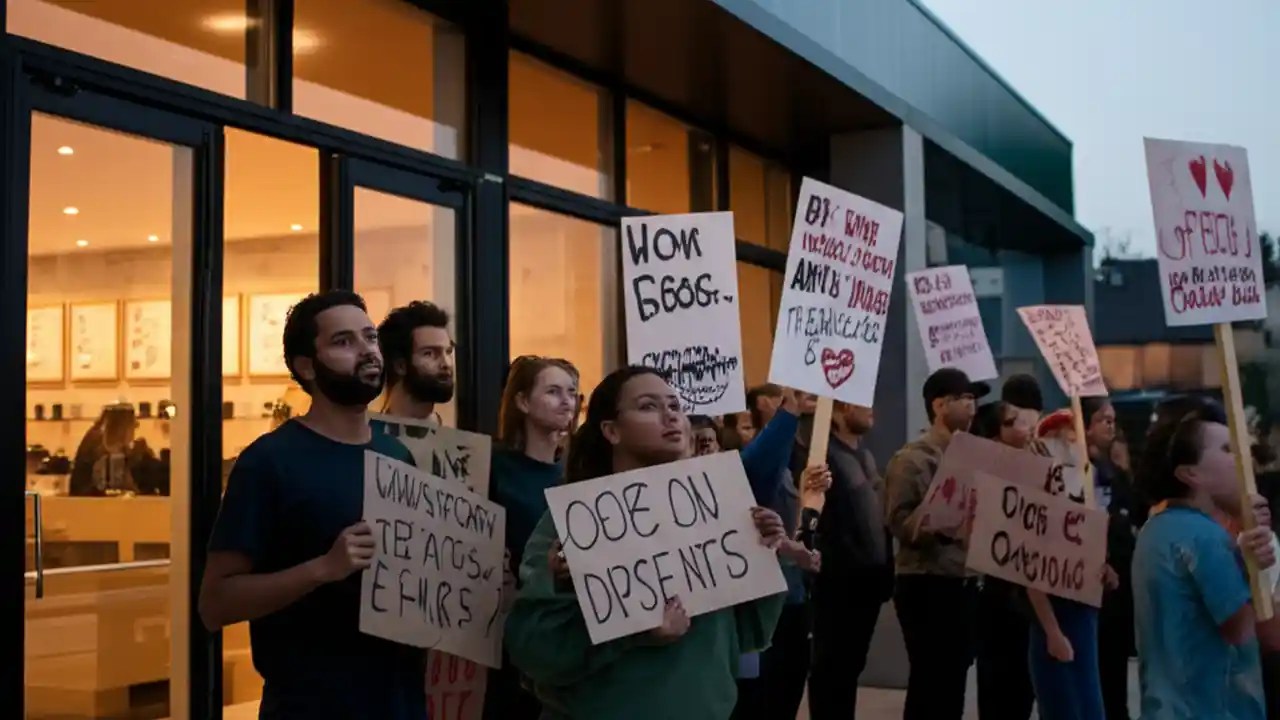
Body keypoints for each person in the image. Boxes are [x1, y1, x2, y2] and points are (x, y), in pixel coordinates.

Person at [504, 366, 789, 719]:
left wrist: (767, 551)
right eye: (648, 406)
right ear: (611, 430)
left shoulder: (718, 512)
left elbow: (749, 634)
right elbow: (534, 650)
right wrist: (629, 631)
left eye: (675, 405)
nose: (670, 414)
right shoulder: (576, 522)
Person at [198, 290, 424, 719]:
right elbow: (215, 603)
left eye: (370, 337)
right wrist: (323, 568)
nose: (366, 351)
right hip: (311, 705)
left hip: (402, 701)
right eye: (343, 342)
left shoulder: (398, 458)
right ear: (306, 366)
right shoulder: (269, 462)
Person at [1132, 399, 1276, 719]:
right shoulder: (1206, 537)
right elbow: (1245, 632)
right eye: (1227, 449)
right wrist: (1252, 571)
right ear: (1190, 473)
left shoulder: (1156, 528)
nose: (1241, 458)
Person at [884, 367, 989, 720]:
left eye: (974, 399)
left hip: (963, 581)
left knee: (954, 681)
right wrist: (942, 522)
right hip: (926, 584)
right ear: (939, 405)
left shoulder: (975, 457)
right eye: (965, 398)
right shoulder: (913, 459)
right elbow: (898, 522)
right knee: (931, 681)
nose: (973, 407)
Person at [483, 355, 581, 720]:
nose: (567, 401)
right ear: (522, 402)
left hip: (558, 635)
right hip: (498, 634)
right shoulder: (492, 467)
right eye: (553, 391)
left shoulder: (576, 476)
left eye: (572, 392)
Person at [805, 401, 893, 720]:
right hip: (838, 585)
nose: (872, 409)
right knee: (832, 673)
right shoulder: (823, 457)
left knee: (850, 670)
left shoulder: (864, 456)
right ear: (840, 409)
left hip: (868, 584)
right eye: (862, 403)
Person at [1024, 409, 1108, 720]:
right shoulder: (1038, 510)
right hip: (1057, 621)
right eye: (1066, 437)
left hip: (1083, 619)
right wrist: (1053, 632)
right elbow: (1033, 576)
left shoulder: (1082, 507)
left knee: (1089, 707)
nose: (1073, 443)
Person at [973, 377, 1044, 720]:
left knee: (1023, 686)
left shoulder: (1040, 464)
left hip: (1031, 590)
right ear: (992, 435)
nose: (1024, 426)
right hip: (999, 591)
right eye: (1011, 421)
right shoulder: (982, 474)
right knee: (1000, 681)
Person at [1083, 397, 1139, 720]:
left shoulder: (1114, 472)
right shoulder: (1076, 471)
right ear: (1086, 424)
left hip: (1119, 586)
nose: (1110, 425)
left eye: (1112, 419)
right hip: (1091, 584)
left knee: (1115, 668)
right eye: (1103, 419)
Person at [376, 300, 454, 422]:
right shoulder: (376, 435)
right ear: (400, 366)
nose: (446, 363)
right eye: (429, 353)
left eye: (448, 352)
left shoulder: (450, 435)